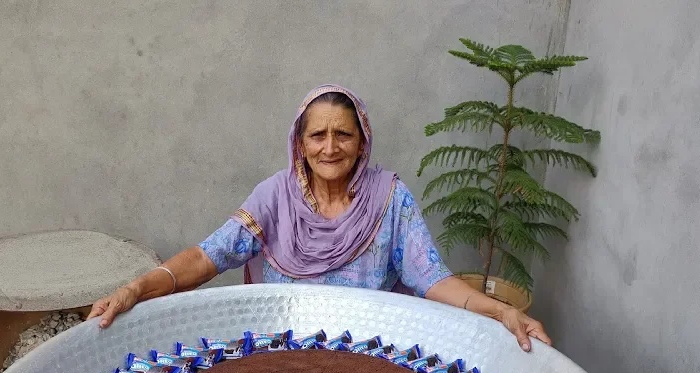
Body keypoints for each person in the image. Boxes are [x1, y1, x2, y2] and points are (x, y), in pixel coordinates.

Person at [88, 84, 551, 352]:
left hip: (367, 355)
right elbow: (208, 257)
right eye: (318, 135)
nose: (330, 148)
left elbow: (431, 276)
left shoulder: (390, 199)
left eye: (343, 135)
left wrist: (499, 310)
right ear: (300, 143)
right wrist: (138, 288)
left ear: (362, 141)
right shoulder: (274, 197)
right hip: (281, 354)